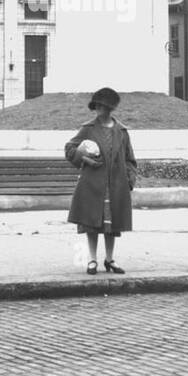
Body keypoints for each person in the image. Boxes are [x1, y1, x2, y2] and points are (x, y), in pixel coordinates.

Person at [65, 87, 138, 275]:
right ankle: (91, 260)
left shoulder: (121, 131)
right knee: (91, 223)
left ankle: (109, 259)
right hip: (92, 184)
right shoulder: (88, 128)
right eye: (96, 106)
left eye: (102, 106)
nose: (98, 109)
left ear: (109, 109)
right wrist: (85, 159)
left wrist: (129, 181)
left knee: (111, 225)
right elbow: (70, 149)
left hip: (116, 185)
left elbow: (130, 159)